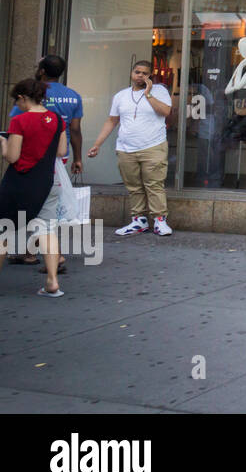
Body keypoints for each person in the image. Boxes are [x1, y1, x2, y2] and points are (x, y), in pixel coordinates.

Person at [7, 55, 81, 267]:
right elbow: (75, 130)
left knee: (27, 205)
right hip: (58, 156)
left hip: (29, 155)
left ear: (41, 71)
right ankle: (40, 254)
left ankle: (29, 251)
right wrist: (77, 158)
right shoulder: (73, 96)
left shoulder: (31, 95)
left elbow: (17, 125)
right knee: (48, 206)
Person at [87, 60, 174, 236]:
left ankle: (159, 220)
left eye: (145, 73)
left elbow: (165, 112)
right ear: (132, 73)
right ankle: (139, 220)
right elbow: (112, 121)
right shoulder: (121, 96)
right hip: (126, 148)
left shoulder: (160, 91)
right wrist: (97, 144)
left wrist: (149, 94)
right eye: (137, 72)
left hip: (153, 145)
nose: (140, 75)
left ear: (150, 76)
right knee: (134, 186)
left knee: (154, 184)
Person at [0, 79, 68, 297]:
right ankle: (52, 281)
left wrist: (3, 143)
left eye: (16, 100)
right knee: (47, 230)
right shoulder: (57, 120)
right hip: (48, 181)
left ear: (22, 98)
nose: (16, 104)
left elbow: (13, 156)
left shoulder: (19, 121)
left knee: (4, 230)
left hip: (20, 182)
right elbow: (61, 151)